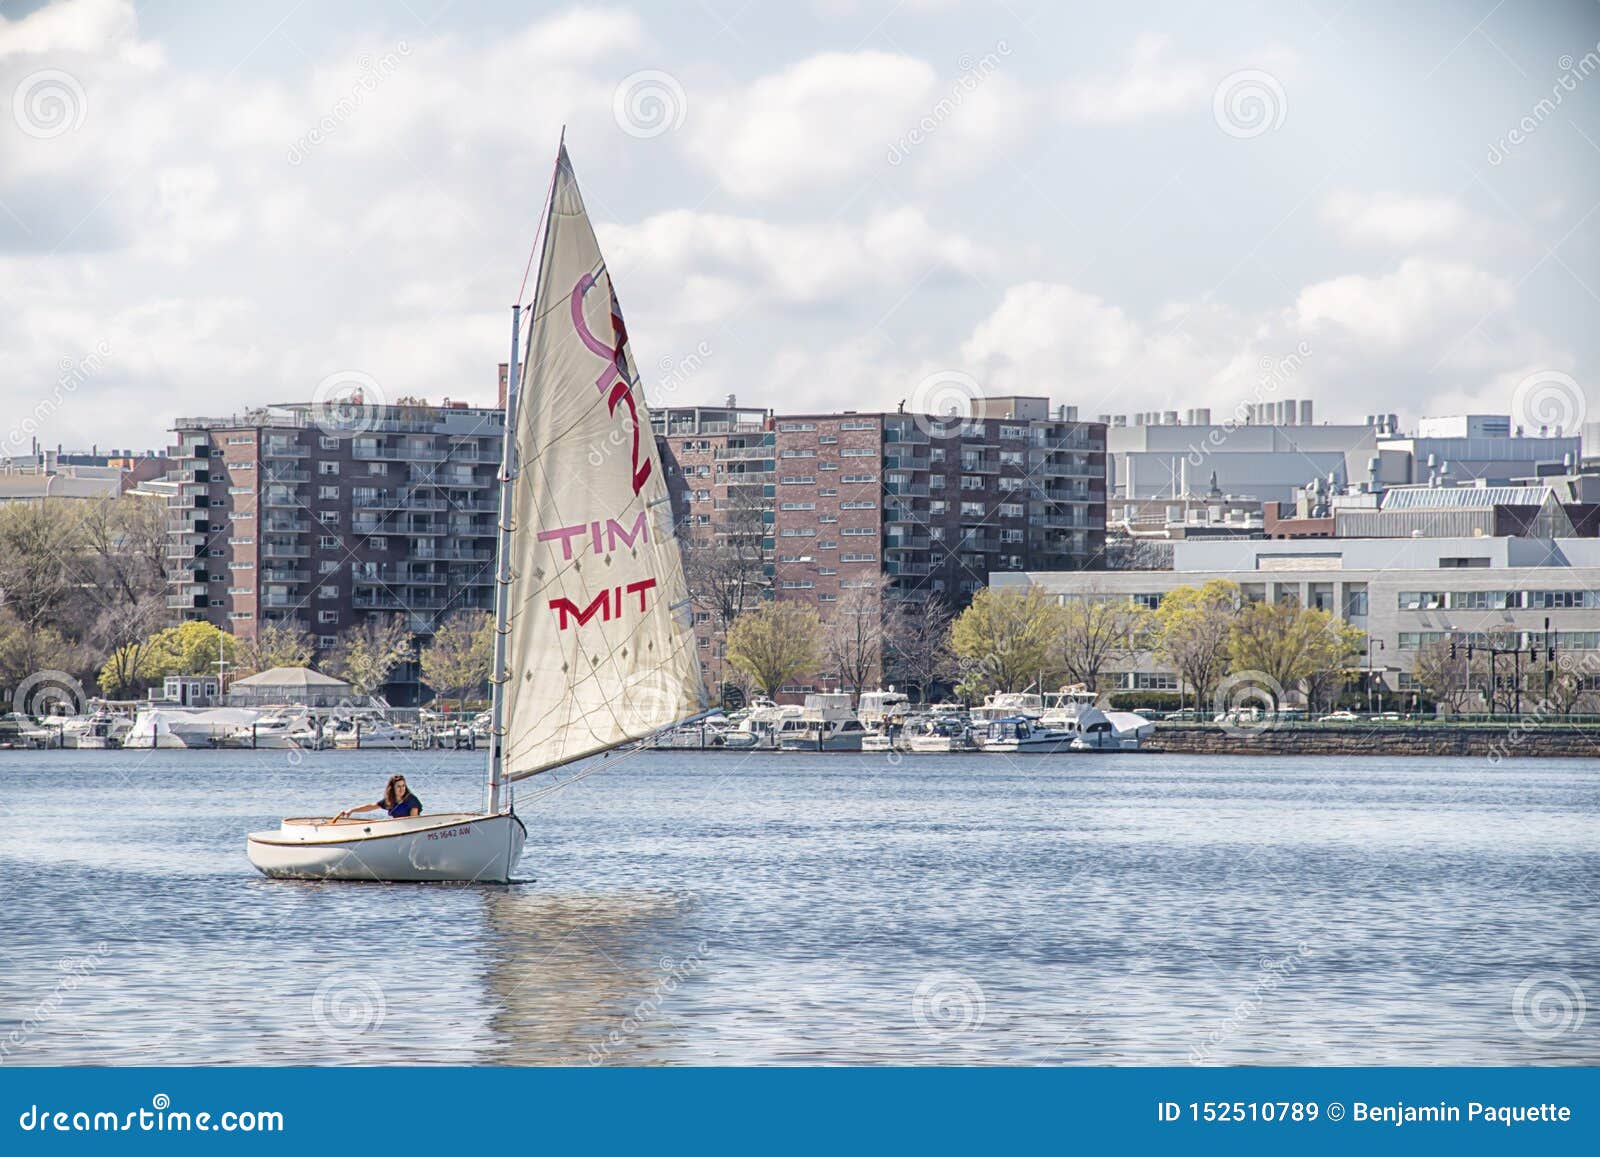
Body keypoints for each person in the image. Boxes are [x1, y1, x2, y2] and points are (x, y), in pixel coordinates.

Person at [333, 775, 421, 822]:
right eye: (398, 786)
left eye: (403, 786)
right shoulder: (389, 800)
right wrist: (352, 810)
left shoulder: (411, 800)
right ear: (392, 788)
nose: (402, 789)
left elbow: (414, 820)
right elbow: (371, 806)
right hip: (397, 828)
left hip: (409, 829)